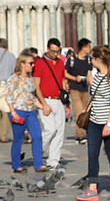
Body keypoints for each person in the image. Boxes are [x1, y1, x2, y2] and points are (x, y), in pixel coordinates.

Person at [76, 46, 110, 201]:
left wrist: (109, 124)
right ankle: (92, 188)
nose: (90, 61)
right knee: (92, 154)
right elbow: (95, 97)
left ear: (98, 60)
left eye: (92, 58)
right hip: (94, 122)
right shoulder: (95, 77)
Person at [0, 51, 48, 172]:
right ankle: (16, 165)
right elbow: (9, 96)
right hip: (19, 111)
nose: (33, 66)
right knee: (19, 138)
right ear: (22, 64)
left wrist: (42, 106)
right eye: (30, 63)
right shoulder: (14, 78)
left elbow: (31, 96)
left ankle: (39, 163)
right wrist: (13, 112)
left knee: (37, 136)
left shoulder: (31, 79)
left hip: (31, 111)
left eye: (33, 63)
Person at [33, 38, 67, 169]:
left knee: (59, 132)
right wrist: (43, 104)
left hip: (58, 100)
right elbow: (37, 86)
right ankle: (38, 151)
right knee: (50, 129)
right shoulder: (40, 63)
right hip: (45, 99)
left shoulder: (60, 63)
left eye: (57, 51)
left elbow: (62, 79)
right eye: (53, 51)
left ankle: (53, 160)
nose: (55, 54)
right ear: (48, 49)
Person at [64, 38, 93, 142]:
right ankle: (80, 135)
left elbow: (89, 74)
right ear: (83, 47)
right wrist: (75, 78)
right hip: (74, 87)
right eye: (89, 47)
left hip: (85, 88)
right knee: (79, 110)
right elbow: (65, 73)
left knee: (85, 111)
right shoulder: (72, 59)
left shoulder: (89, 60)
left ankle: (83, 131)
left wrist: (93, 84)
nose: (90, 49)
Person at [0, 37, 16, 145]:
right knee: (6, 110)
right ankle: (3, 135)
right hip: (5, 84)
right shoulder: (11, 56)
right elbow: (14, 71)